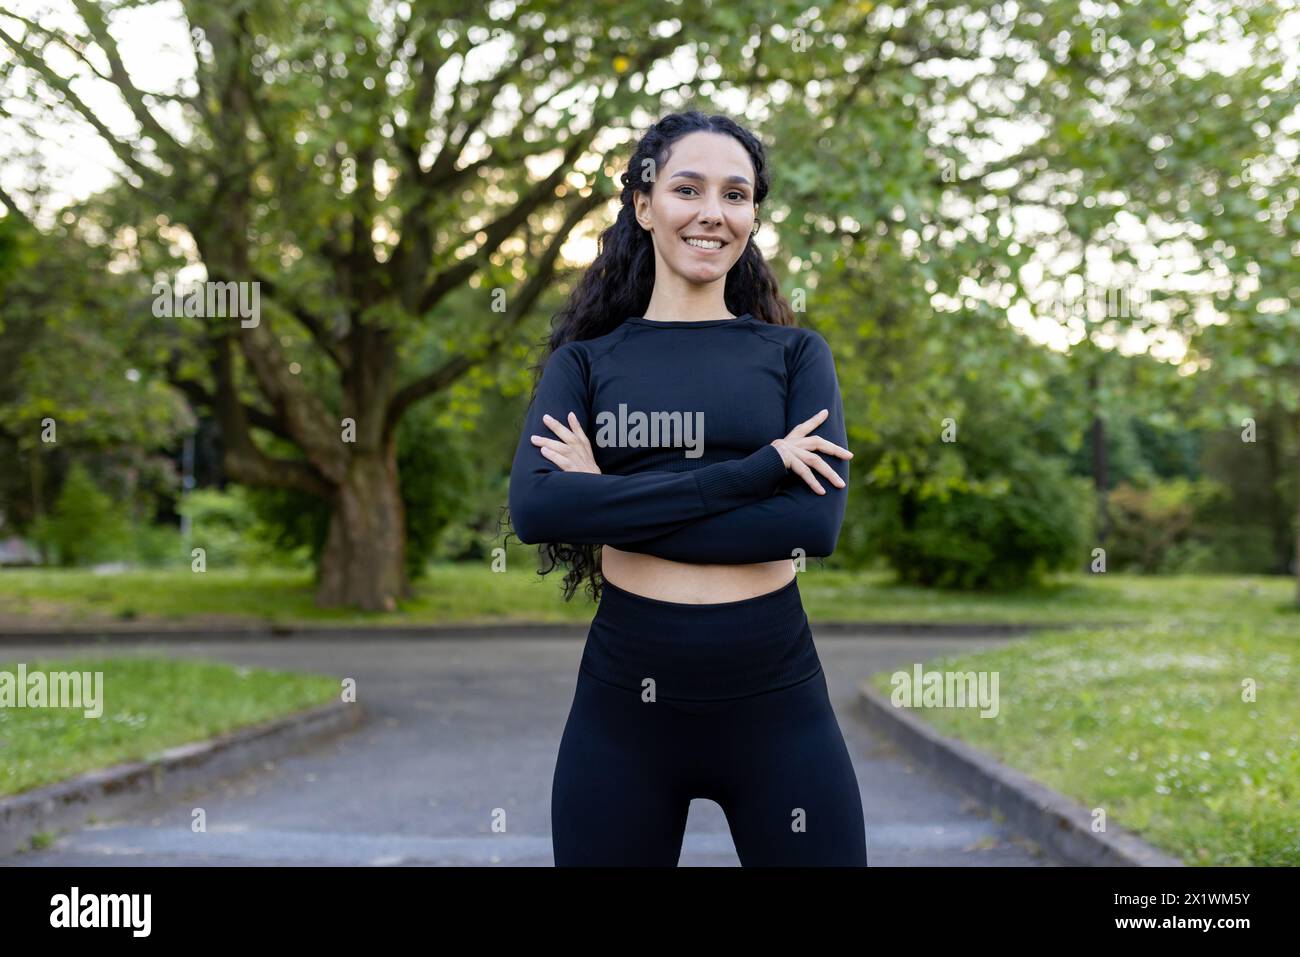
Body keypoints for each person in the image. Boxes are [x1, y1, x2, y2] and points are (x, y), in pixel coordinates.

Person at [507, 109, 869, 867]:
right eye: (688, 188)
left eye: (736, 195)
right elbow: (539, 509)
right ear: (644, 206)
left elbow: (809, 526)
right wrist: (757, 471)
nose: (713, 212)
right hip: (623, 710)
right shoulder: (585, 365)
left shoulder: (797, 355)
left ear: (752, 217)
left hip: (777, 702)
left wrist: (607, 499)